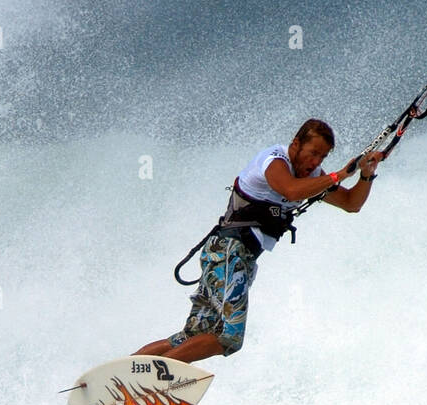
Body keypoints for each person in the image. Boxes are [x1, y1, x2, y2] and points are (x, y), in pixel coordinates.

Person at [134, 119, 383, 364]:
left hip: (229, 256)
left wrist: (366, 175)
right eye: (313, 153)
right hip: (230, 251)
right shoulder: (274, 160)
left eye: (323, 157)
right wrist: (338, 174)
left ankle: (118, 375)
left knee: (191, 337)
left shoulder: (313, 178)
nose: (316, 162)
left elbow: (352, 204)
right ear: (296, 144)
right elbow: (291, 190)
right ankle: (153, 378)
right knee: (229, 337)